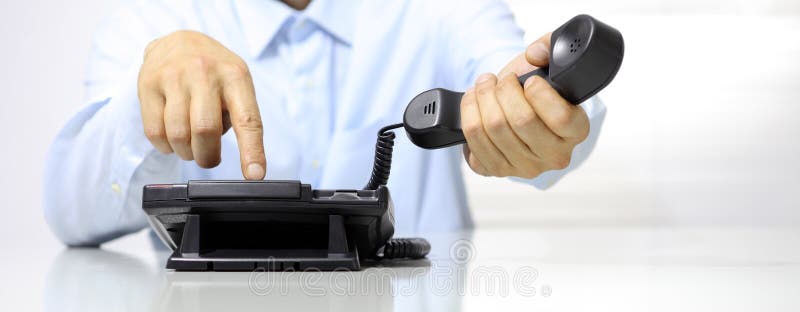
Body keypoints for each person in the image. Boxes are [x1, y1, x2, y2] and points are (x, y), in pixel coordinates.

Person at [43, 0, 605, 246]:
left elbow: (528, 99)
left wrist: (539, 117)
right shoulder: (150, 23)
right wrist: (148, 114)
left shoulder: (442, 7)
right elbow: (72, 215)